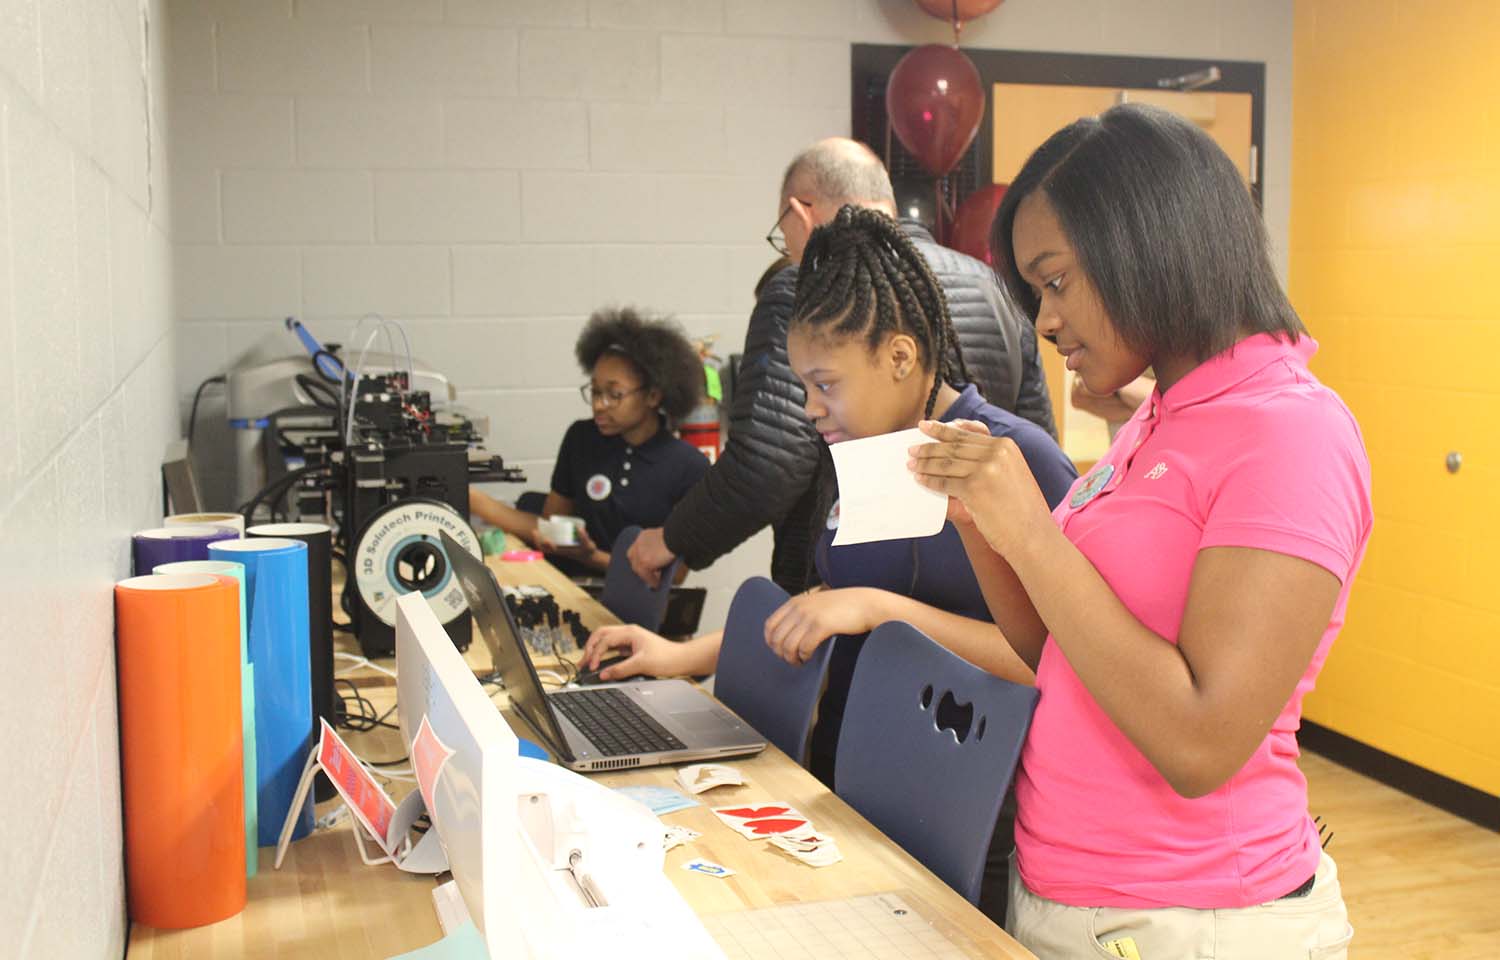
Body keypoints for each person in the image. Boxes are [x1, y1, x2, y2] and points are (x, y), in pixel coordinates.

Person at [908, 104, 1370, 959]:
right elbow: (1059, 650)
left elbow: (1200, 743)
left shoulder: (1290, 432)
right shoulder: (1162, 413)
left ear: (1150, 245)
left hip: (1196, 920)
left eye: (1055, 281)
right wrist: (985, 525)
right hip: (1064, 892)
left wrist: (1035, 538)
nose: (1044, 323)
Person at [584, 206, 1077, 922]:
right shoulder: (866, 456)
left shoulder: (1018, 461)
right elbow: (826, 610)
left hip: (976, 821)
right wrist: (681, 654)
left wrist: (884, 610)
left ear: (901, 356)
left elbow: (1059, 664)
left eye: (827, 383)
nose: (812, 408)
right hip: (860, 796)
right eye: (804, 387)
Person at [627, 138, 1056, 594]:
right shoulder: (992, 286)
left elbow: (772, 461)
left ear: (801, 210)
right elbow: (1038, 423)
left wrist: (674, 540)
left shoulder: (806, 295)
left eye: (825, 384)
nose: (813, 409)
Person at [468, 308, 708, 574]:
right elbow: (551, 525)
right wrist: (474, 499)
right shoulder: (581, 439)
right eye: (594, 391)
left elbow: (674, 577)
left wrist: (591, 557)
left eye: (614, 394)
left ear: (653, 396)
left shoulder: (688, 465)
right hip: (574, 587)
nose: (598, 405)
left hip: (639, 604)